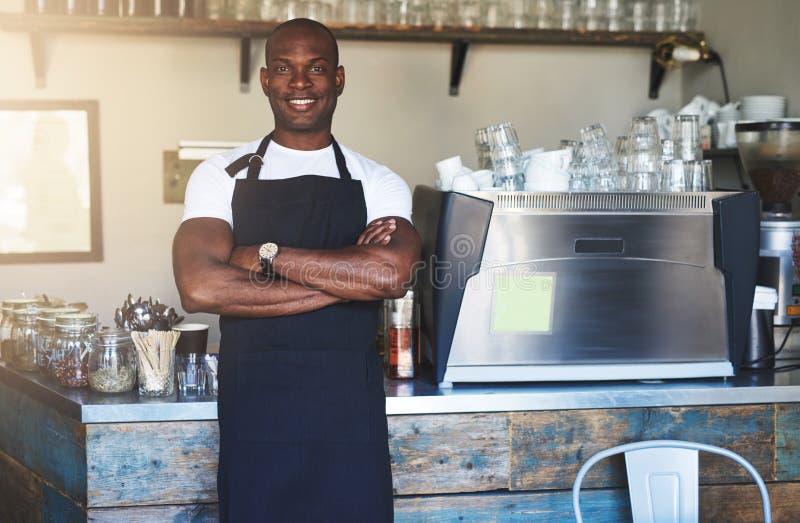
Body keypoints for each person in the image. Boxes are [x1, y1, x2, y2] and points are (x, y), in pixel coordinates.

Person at [172, 18, 420, 522]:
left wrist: (261, 254)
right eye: (284, 68)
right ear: (266, 80)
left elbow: (392, 276)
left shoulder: (377, 180)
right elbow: (199, 286)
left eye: (316, 68)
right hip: (255, 415)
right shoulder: (222, 173)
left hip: (349, 416)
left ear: (339, 79)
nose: (300, 83)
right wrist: (350, 281)